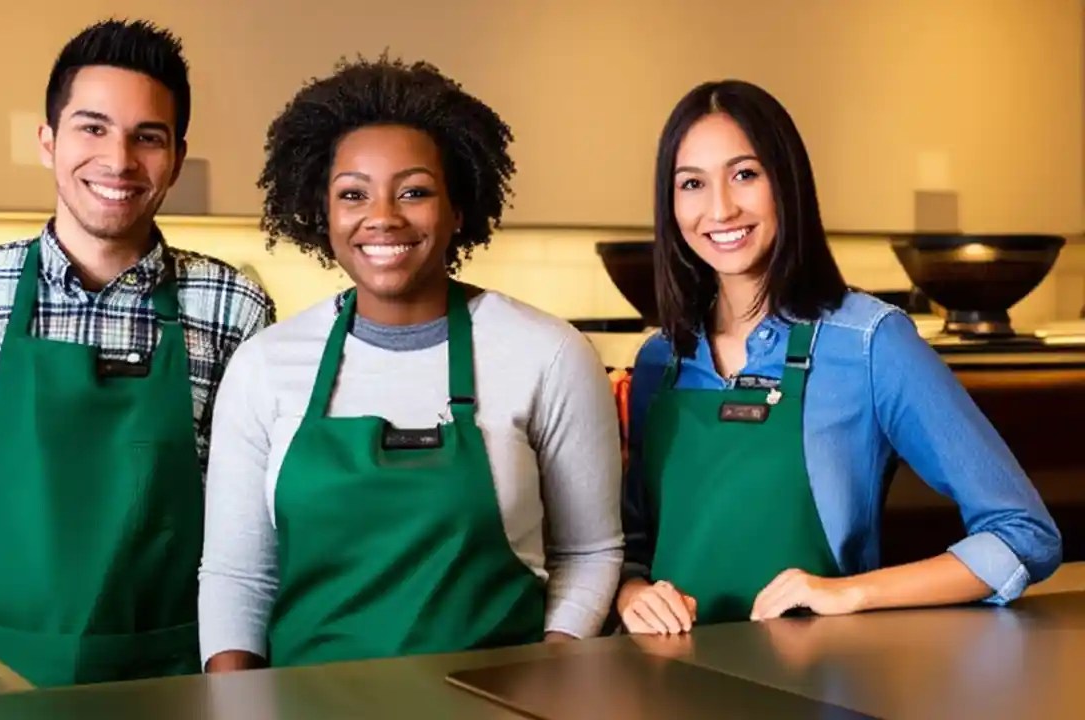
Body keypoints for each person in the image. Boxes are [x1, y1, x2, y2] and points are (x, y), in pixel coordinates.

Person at [0, 19, 274, 687]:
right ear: (47, 141)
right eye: (92, 127)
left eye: (148, 137)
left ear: (176, 158)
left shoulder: (233, 309)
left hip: (168, 686)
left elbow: (250, 538)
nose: (119, 160)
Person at [198, 55, 623, 670]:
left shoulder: (547, 354)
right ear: (324, 211)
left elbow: (589, 553)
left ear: (457, 208)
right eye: (353, 194)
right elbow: (239, 576)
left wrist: (552, 679)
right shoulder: (266, 366)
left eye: (415, 191)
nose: (383, 217)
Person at [617, 79, 1062, 635]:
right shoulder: (661, 360)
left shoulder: (871, 342)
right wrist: (632, 593)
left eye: (745, 174)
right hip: (671, 691)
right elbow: (630, 547)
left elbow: (1023, 533)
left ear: (789, 183)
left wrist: (849, 593)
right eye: (691, 183)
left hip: (821, 689)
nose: (720, 208)